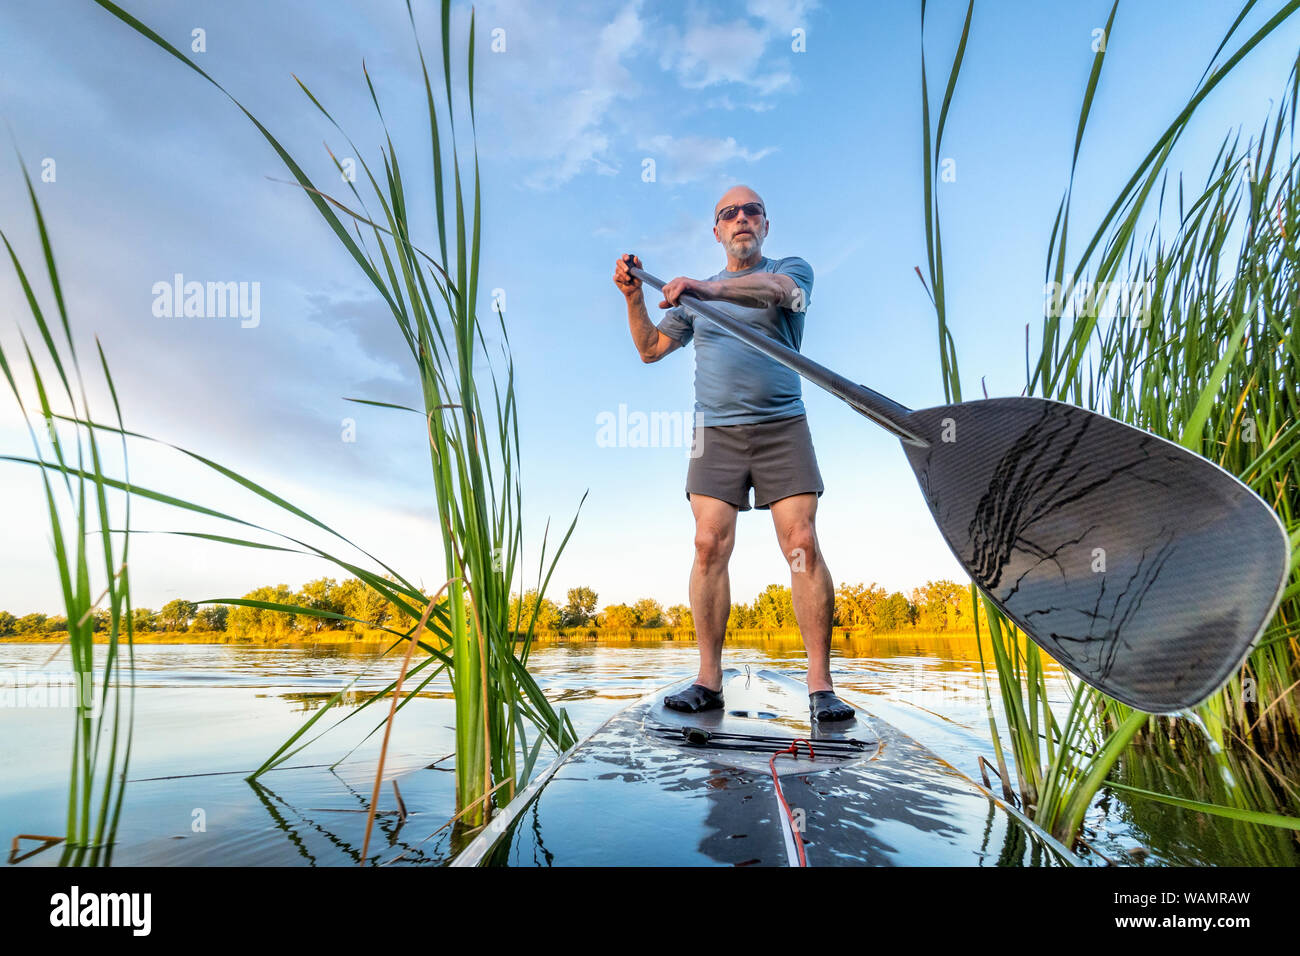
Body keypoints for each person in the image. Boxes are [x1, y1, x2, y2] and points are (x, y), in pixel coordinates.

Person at [612, 184, 854, 723]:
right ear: (717, 230)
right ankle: (708, 681)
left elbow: (777, 291)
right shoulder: (694, 297)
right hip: (715, 433)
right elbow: (651, 350)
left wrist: (705, 289)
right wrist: (633, 297)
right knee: (706, 545)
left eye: (752, 211)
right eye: (729, 213)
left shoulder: (790, 270)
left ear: (765, 225)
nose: (741, 218)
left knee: (802, 543)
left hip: (781, 426)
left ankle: (820, 687)